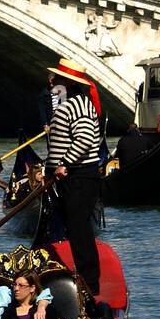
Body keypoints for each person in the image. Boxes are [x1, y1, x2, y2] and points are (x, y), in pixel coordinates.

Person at [44, 57, 104, 301]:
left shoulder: (77, 104)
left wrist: (64, 164)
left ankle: (89, 285)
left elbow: (84, 138)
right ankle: (63, 273)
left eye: (56, 79)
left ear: (66, 83)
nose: (52, 82)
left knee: (79, 230)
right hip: (72, 176)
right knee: (71, 228)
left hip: (76, 176)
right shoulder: (74, 103)